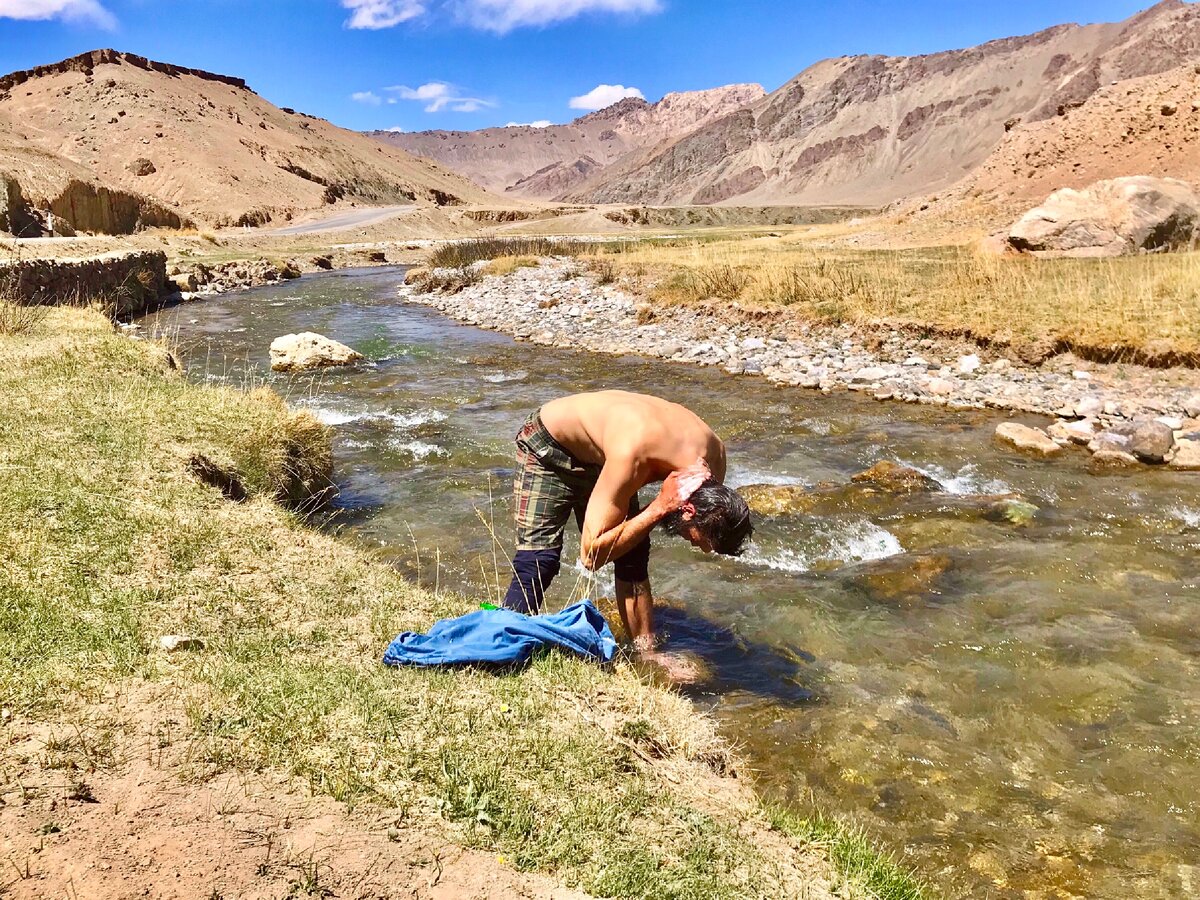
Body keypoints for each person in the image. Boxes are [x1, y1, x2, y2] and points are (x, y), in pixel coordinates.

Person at [502, 390, 753, 660]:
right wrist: (659, 506)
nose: (697, 547)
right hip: (549, 446)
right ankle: (503, 640)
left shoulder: (714, 460)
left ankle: (647, 655)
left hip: (605, 454)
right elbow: (591, 556)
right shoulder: (634, 455)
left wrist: (654, 513)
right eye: (697, 540)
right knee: (540, 561)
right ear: (688, 510)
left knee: (633, 552)